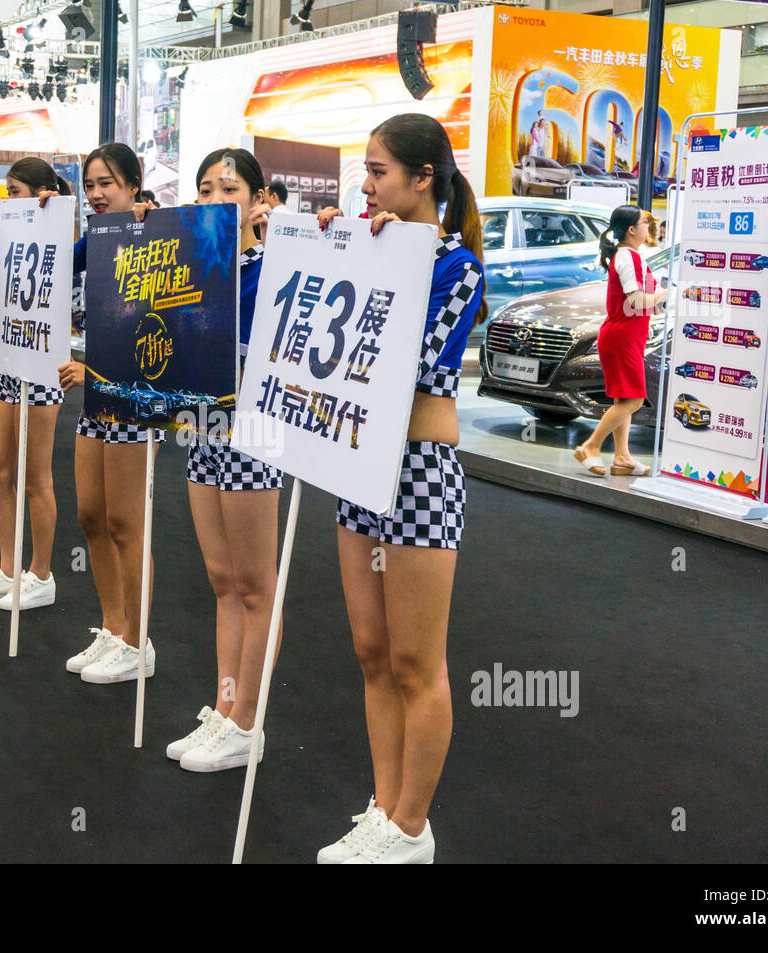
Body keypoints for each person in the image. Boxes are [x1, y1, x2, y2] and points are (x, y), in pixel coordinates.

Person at [315, 113, 487, 863]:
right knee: (372, 651)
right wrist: (327, 255)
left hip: (417, 472)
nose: (367, 184)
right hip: (360, 465)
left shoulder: (458, 267)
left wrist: (357, 266)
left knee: (418, 662)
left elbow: (409, 363)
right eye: (366, 169)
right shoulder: (369, 247)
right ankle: (384, 807)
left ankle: (412, 824)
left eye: (380, 170)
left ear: (424, 178)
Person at [165, 147, 283, 772]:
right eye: (204, 189)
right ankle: (224, 706)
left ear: (260, 203)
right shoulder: (188, 270)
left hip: (255, 432)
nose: (213, 201)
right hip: (199, 427)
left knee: (255, 585)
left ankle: (247, 722)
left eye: (230, 189)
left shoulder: (278, 270)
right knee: (221, 580)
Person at [58, 142, 164, 684]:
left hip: (133, 400)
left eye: (107, 184)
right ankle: (113, 627)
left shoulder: (159, 235)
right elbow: (56, 260)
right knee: (92, 517)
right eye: (90, 185)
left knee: (126, 523)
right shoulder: (94, 241)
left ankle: (137, 640)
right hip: (95, 396)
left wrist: (152, 220)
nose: (97, 194)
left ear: (132, 183)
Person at [0, 160, 71, 609]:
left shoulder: (61, 240)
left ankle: (41, 574)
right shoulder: (9, 236)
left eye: (15, 190)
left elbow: (70, 308)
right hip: (9, 363)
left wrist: (54, 210)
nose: (8, 199)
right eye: (5, 192)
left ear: (42, 192)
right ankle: (9, 568)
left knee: (35, 477)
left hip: (44, 367)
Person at [573, 206, 663, 477]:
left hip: (628, 336)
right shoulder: (627, 257)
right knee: (634, 400)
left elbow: (635, 302)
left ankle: (622, 457)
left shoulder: (632, 256)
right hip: (621, 338)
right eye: (645, 222)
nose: (649, 226)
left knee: (623, 399)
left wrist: (656, 303)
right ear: (632, 230)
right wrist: (664, 294)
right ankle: (591, 445)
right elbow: (636, 300)